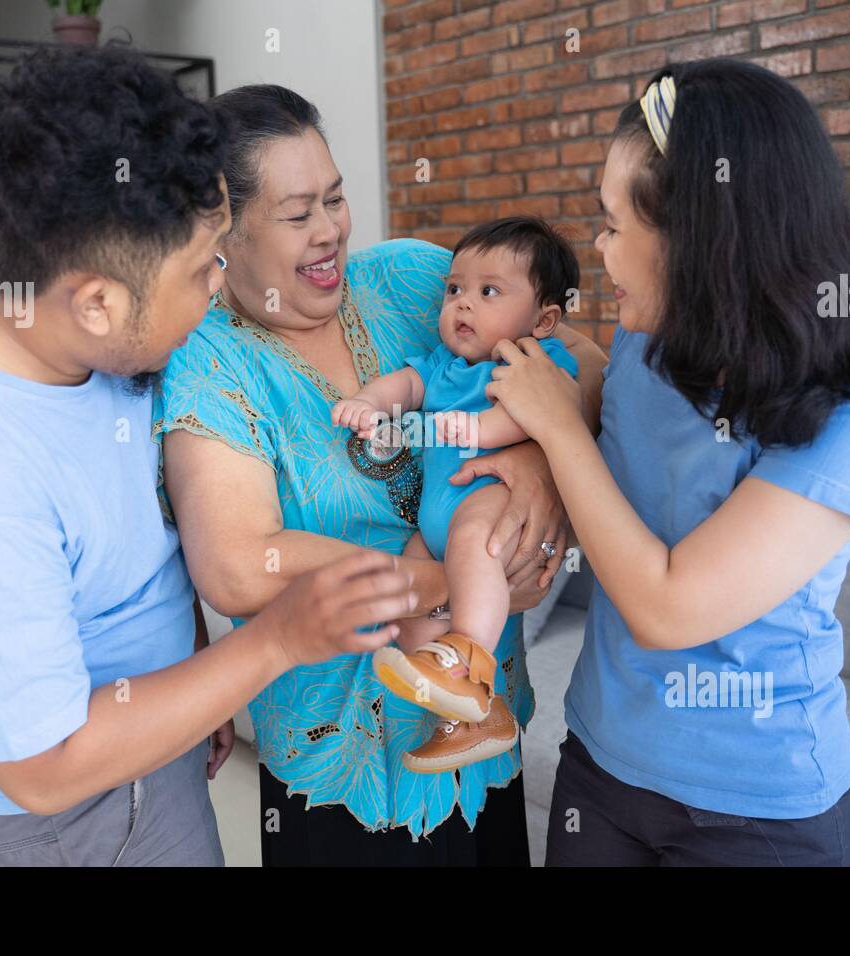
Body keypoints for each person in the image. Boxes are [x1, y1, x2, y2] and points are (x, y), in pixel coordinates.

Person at [0, 48, 413, 867]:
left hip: (151, 743)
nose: (220, 289)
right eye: (202, 272)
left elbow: (135, 511)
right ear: (96, 302)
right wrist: (270, 646)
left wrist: (192, 661)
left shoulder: (36, 301)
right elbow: (42, 766)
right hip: (73, 814)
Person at [158, 85, 607, 866]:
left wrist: (534, 462)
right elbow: (236, 564)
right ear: (220, 231)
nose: (330, 229)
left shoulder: (415, 279)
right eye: (299, 213)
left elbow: (592, 371)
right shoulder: (207, 360)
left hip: (480, 743)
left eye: (335, 198)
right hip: (338, 772)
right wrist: (439, 579)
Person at [488, 59, 850, 866]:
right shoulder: (649, 344)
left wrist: (560, 434)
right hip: (602, 767)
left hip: (759, 813)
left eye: (614, 227)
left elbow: (669, 605)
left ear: (701, 241)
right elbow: (619, 435)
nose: (599, 251)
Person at [332, 217, 580, 773]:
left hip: (488, 500)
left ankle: (467, 649)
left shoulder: (533, 364)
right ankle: (465, 713)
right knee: (412, 599)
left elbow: (544, 412)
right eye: (454, 290)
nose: (463, 304)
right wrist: (370, 402)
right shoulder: (445, 366)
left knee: (471, 546)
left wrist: (474, 431)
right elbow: (407, 386)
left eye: (488, 291)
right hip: (434, 519)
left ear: (544, 320)